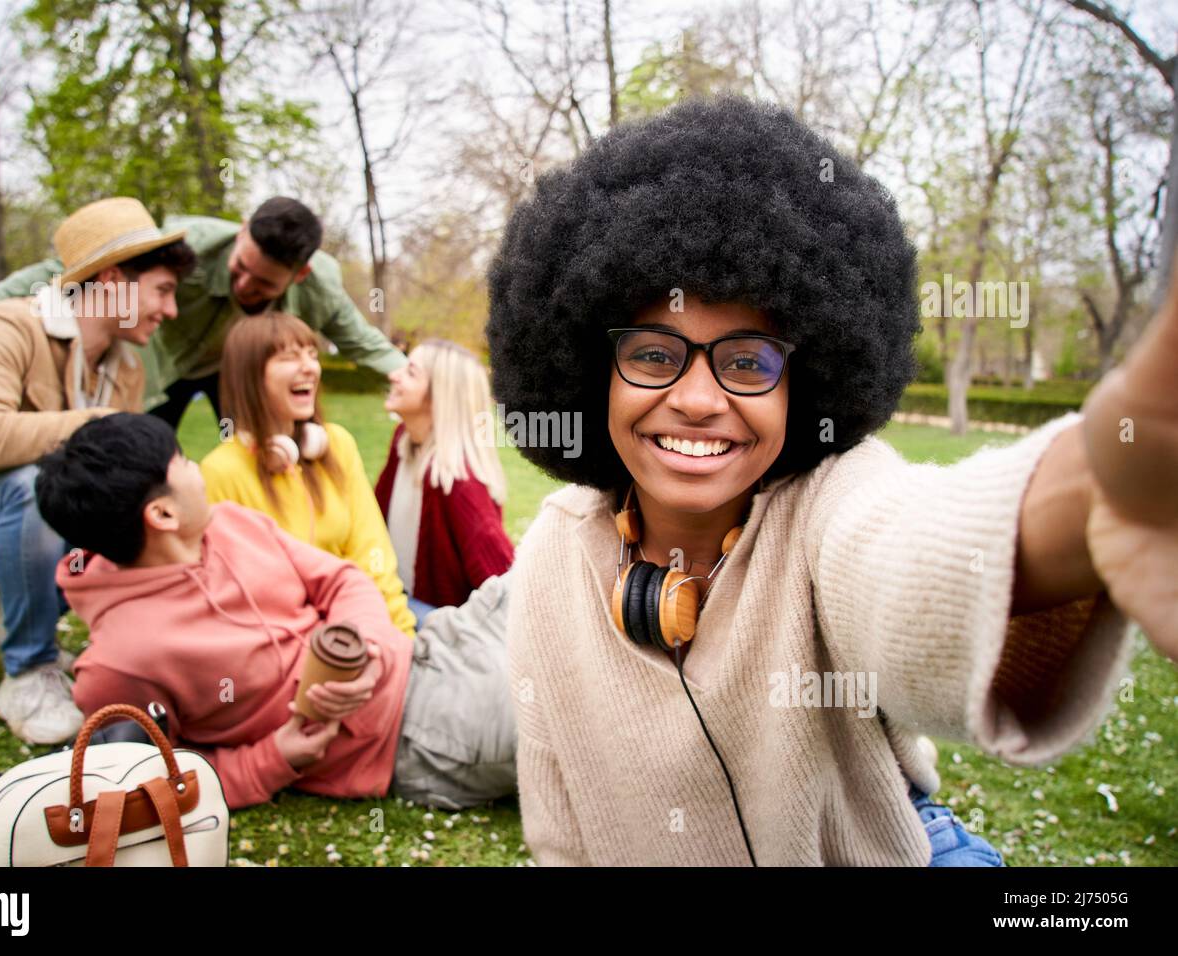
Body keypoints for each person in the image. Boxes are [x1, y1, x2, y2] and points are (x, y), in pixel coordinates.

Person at [486, 95, 1176, 866]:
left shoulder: (831, 500)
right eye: (653, 353)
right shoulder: (551, 553)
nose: (699, 399)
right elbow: (559, 829)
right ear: (590, 371)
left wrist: (1101, 490)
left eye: (748, 361)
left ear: (801, 387)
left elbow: (908, 567)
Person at [34, 412, 516, 812]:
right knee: (570, 704)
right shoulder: (118, 664)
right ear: (162, 515)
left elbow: (342, 578)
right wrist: (273, 758)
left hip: (431, 646)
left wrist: (363, 645)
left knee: (559, 566)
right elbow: (158, 783)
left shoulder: (229, 522)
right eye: (182, 461)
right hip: (413, 731)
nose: (198, 468)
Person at [0, 198, 195, 744]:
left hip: (14, 537)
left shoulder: (127, 370)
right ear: (114, 280)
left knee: (121, 497)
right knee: (35, 484)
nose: (171, 310)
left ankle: (12, 612)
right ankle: (26, 672)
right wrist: (98, 423)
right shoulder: (6, 326)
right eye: (163, 291)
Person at [0, 196, 406, 428]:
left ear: (298, 276)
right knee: (138, 458)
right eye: (240, 268)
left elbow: (362, 341)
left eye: (263, 284)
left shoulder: (320, 283)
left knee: (269, 453)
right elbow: (79, 266)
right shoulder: (190, 245)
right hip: (161, 368)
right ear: (241, 231)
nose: (244, 286)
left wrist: (422, 379)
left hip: (234, 373)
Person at [200, 313, 417, 637]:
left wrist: (398, 636)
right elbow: (234, 599)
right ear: (250, 377)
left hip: (368, 630)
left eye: (313, 355)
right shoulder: (220, 473)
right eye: (289, 357)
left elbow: (373, 553)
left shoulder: (337, 445)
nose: (310, 368)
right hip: (287, 652)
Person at [375, 339, 514, 627]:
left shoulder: (458, 482)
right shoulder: (403, 441)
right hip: (391, 594)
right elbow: (372, 522)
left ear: (439, 397)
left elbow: (504, 589)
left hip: (436, 623)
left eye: (410, 372)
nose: (393, 375)